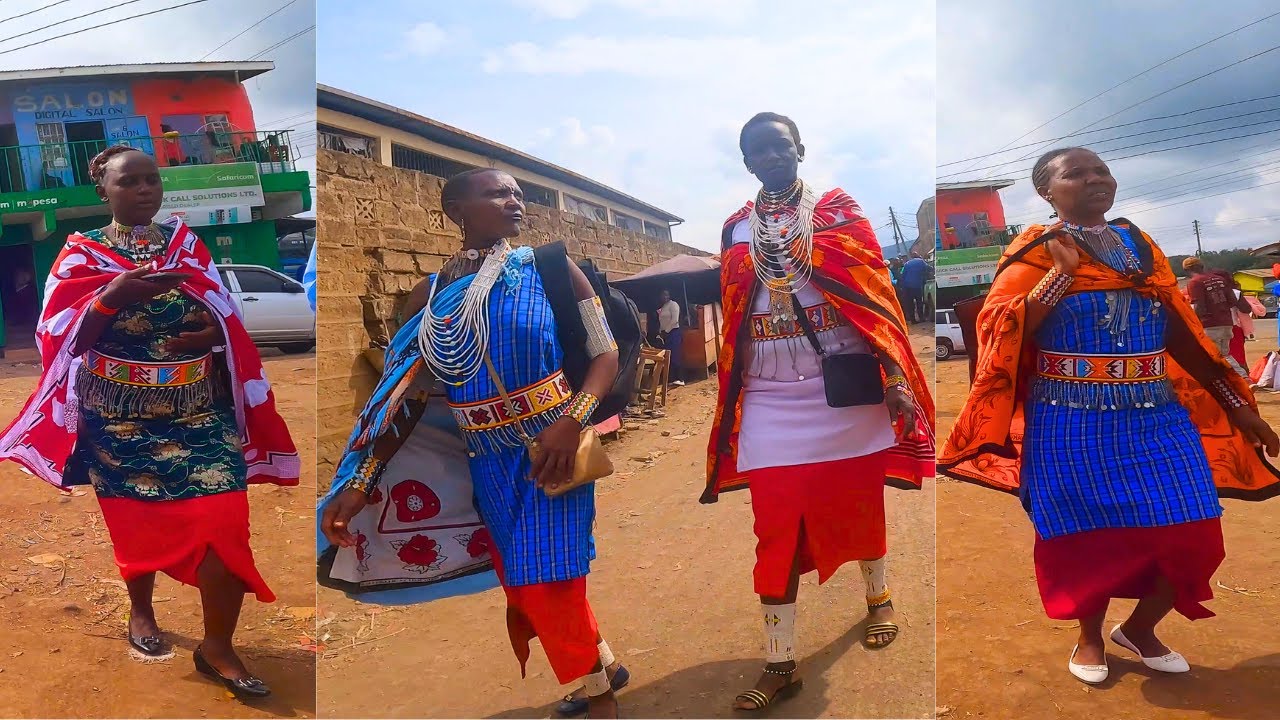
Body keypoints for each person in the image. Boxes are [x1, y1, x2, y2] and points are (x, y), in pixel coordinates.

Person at [938, 146, 1280, 685]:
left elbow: (1182, 336)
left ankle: (1140, 629)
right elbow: (1002, 333)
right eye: (1076, 173)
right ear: (1048, 192)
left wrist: (1241, 409)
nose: (1094, 179)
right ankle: (1090, 637)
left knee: (1194, 533)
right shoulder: (1032, 251)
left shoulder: (1141, 247)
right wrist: (1060, 276)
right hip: (1067, 421)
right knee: (1084, 539)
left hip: (1156, 417)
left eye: (1101, 170)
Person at [319, 168, 626, 718]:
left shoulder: (552, 269)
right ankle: (601, 662)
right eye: (496, 193)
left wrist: (574, 420)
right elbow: (404, 397)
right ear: (456, 210)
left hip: (553, 449)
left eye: (516, 193)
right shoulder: (429, 297)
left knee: (549, 578)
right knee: (524, 577)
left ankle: (600, 698)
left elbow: (605, 354)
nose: (513, 201)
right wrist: (362, 481)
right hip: (483, 459)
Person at [0, 146, 299, 699]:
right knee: (137, 521)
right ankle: (141, 611)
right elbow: (59, 339)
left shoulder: (187, 245)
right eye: (129, 182)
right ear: (104, 192)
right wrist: (109, 300)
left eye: (151, 180)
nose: (144, 190)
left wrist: (214, 334)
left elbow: (224, 314)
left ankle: (219, 647)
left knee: (223, 522)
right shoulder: (81, 253)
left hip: (200, 412)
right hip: (118, 417)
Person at [705, 112, 934, 712]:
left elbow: (875, 300)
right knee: (775, 525)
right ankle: (781, 662)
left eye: (781, 146)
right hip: (768, 396)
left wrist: (894, 377)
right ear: (747, 162)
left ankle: (877, 596)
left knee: (859, 502)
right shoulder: (734, 229)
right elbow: (732, 314)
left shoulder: (837, 211)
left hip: (844, 391)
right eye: (758, 151)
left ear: (800, 149)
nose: (772, 156)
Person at [1185, 257, 1250, 377]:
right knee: (1224, 354)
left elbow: (1200, 306)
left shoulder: (1195, 282)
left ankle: (1242, 378)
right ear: (1202, 266)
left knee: (1212, 355)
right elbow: (1233, 301)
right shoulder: (1220, 280)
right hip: (1227, 323)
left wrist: (1193, 323)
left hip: (1210, 325)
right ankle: (1241, 379)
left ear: (1187, 270)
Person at [656, 288, 685, 386]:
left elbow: (675, 320)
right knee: (669, 356)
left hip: (674, 333)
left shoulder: (673, 305)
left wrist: (666, 331)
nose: (665, 297)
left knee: (675, 355)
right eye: (663, 295)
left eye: (666, 295)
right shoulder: (663, 307)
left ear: (670, 295)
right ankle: (672, 379)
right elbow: (661, 321)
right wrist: (660, 332)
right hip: (666, 334)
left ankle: (680, 378)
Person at [900, 251, 930, 322]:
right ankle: (921, 318)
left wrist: (902, 286)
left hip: (907, 286)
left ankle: (913, 320)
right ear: (918, 256)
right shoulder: (921, 261)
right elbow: (929, 268)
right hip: (916, 285)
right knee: (919, 302)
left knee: (910, 303)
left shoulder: (907, 263)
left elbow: (902, 274)